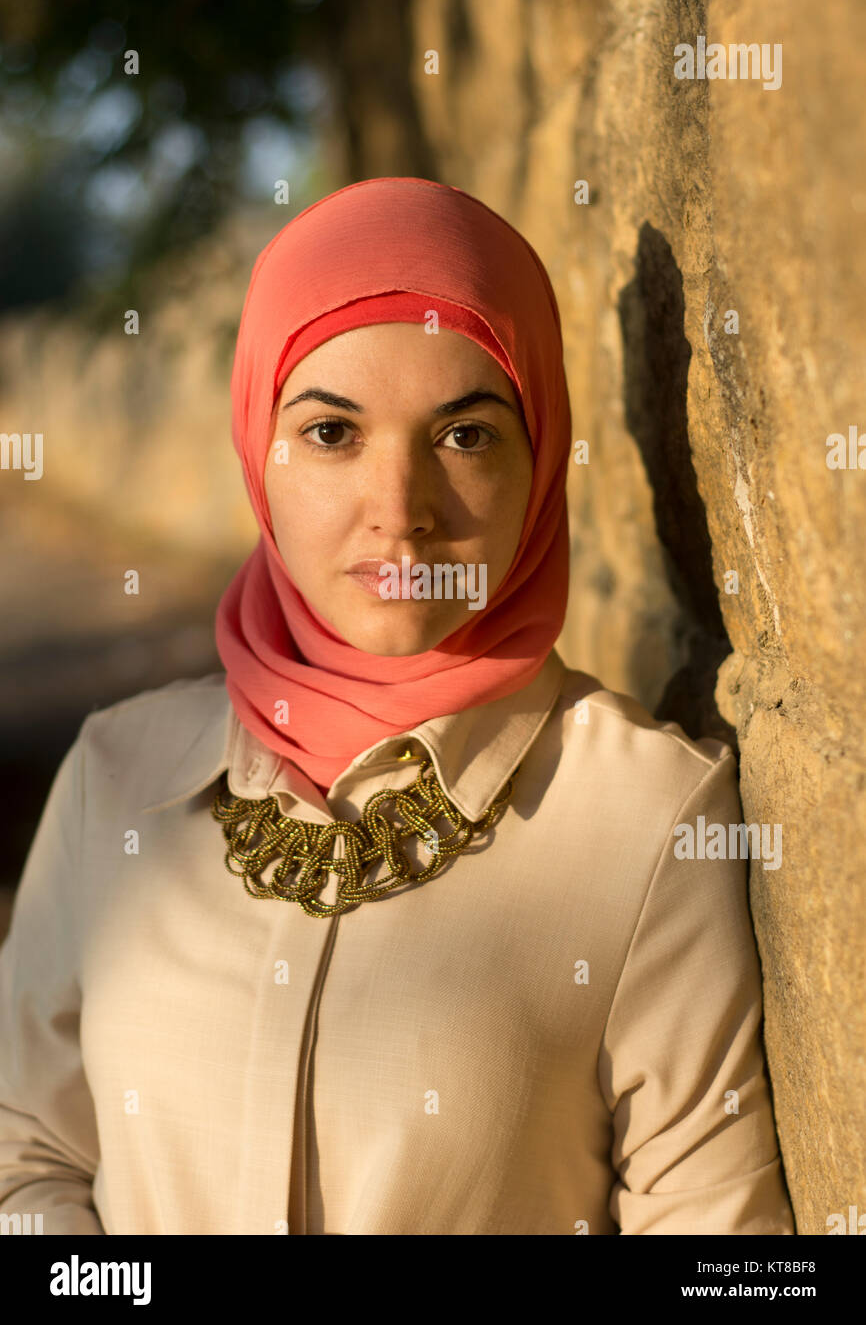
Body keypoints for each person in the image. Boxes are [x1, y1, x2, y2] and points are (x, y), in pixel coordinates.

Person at [0, 177, 795, 1235]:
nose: (399, 513)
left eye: (464, 435)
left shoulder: (646, 818)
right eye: (331, 433)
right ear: (258, 449)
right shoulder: (116, 779)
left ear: (541, 452)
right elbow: (27, 1155)